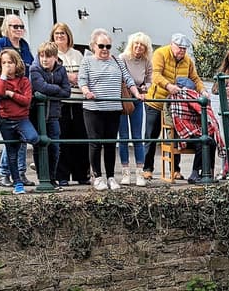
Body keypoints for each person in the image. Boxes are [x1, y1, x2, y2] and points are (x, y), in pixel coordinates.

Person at [79, 29, 142, 191]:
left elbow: (127, 78)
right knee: (95, 143)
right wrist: (87, 92)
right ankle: (98, 176)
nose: (105, 49)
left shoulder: (117, 60)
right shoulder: (87, 61)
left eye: (108, 46)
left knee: (110, 143)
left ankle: (111, 176)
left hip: (113, 108)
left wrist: (136, 93)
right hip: (94, 108)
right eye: (101, 46)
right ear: (94, 46)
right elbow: (82, 80)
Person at [142, 32, 202, 181]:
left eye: (184, 49)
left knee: (175, 136)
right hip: (156, 101)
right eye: (179, 48)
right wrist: (168, 85)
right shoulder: (160, 54)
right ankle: (147, 168)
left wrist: (203, 90)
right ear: (172, 45)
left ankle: (175, 170)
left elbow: (195, 78)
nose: (182, 51)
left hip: (175, 105)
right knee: (151, 135)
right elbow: (155, 75)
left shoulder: (187, 61)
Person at [0, 14, 34, 187]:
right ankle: (4, 173)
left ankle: (19, 173)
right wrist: (2, 91)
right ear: (6, 28)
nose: (19, 29)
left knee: (22, 140)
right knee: (12, 140)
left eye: (21, 26)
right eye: (15, 26)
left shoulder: (24, 46)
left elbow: (28, 71)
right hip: (6, 100)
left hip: (21, 100)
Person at [0, 48, 37, 195]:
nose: (7, 65)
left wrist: (11, 94)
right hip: (6, 121)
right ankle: (17, 183)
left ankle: (32, 163)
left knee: (33, 137)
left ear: (16, 63)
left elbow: (26, 101)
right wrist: (3, 76)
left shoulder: (24, 81)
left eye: (10, 62)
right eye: (4, 63)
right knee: (11, 154)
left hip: (22, 119)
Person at [49, 22, 89, 186]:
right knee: (62, 138)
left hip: (79, 101)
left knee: (80, 138)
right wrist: (69, 77)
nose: (60, 36)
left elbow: (84, 75)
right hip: (62, 102)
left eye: (63, 33)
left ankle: (81, 175)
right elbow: (52, 76)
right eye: (57, 34)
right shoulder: (52, 55)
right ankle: (62, 175)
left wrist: (73, 77)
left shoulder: (78, 55)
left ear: (68, 36)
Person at [29, 41, 71, 183]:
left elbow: (67, 92)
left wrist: (52, 90)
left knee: (54, 146)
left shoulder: (61, 70)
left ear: (55, 57)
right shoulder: (34, 69)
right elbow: (39, 86)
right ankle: (43, 178)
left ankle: (52, 178)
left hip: (53, 114)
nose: (44, 59)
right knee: (39, 145)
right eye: (42, 56)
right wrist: (57, 89)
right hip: (36, 114)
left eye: (48, 56)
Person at [118, 32, 153, 185]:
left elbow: (150, 80)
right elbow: (122, 77)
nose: (139, 47)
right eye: (136, 44)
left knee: (138, 136)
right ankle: (125, 172)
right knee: (124, 136)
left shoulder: (147, 61)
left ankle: (140, 172)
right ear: (131, 44)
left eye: (142, 45)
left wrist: (146, 87)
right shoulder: (122, 58)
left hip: (139, 99)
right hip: (124, 98)